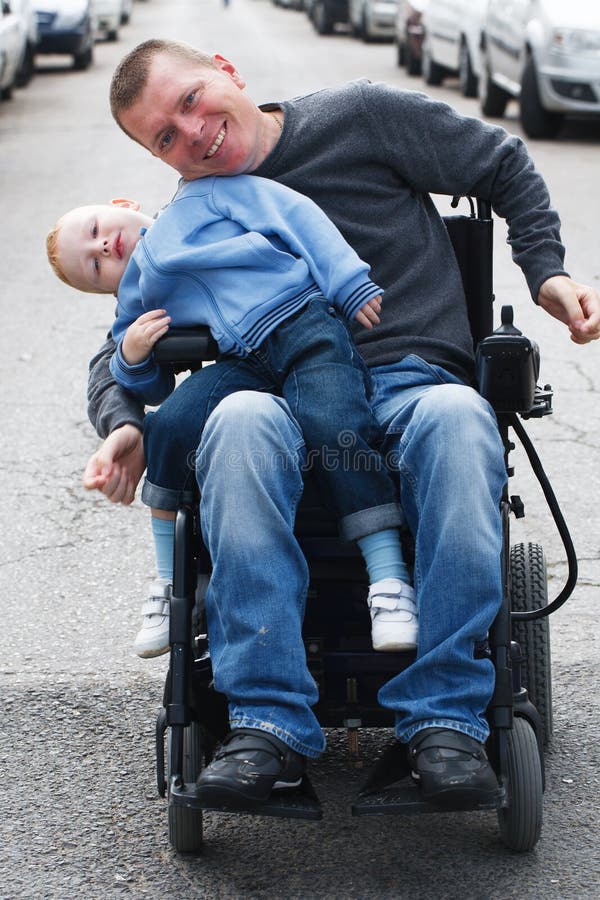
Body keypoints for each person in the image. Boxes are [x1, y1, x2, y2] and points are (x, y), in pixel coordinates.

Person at [84, 39, 600, 811]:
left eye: (190, 100)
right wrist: (124, 420)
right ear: (160, 159)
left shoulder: (359, 119)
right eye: (166, 137)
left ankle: (447, 722)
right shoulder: (190, 219)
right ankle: (266, 723)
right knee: (237, 424)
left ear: (227, 69)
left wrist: (547, 270)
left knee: (462, 418)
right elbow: (116, 348)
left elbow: (501, 163)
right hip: (285, 401)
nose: (192, 134)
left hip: (415, 382)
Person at [48, 180, 418, 658]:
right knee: (171, 424)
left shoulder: (198, 201)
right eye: (95, 267)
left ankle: (388, 578)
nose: (102, 246)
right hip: (242, 360)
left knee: (333, 422)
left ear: (122, 204)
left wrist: (347, 280)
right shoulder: (135, 297)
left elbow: (295, 214)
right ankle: (170, 586)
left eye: (97, 228)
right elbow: (149, 386)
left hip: (303, 324)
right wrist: (132, 355)